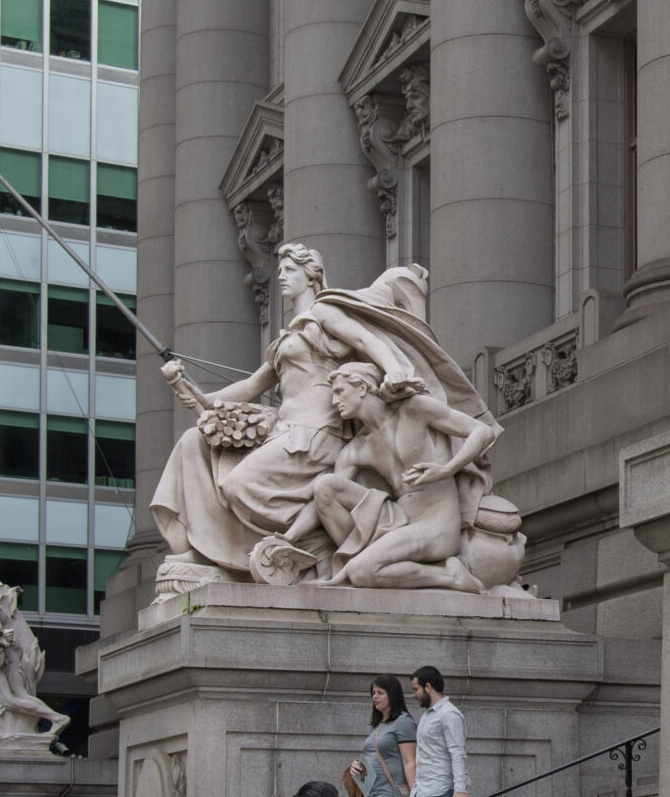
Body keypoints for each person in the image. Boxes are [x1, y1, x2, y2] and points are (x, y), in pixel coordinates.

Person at [149, 247, 485, 595]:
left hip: (315, 436)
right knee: (194, 442)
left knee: (237, 485)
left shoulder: (323, 313)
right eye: (280, 270)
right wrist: (201, 397)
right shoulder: (288, 336)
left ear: (312, 275)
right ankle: (209, 549)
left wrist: (394, 370)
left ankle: (302, 548)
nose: (281, 276)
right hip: (281, 432)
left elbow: (366, 340)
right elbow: (251, 387)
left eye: (289, 269)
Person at [278, 364, 500, 591]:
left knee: (361, 572)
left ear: (362, 388)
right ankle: (364, 558)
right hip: (398, 521)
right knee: (325, 487)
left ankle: (450, 575)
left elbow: (482, 431)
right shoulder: (357, 449)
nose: (334, 401)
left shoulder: (414, 409)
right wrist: (288, 537)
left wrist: (447, 469)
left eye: (339, 392)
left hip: (436, 525)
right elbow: (320, 503)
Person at [347, 675, 417, 797]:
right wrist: (356, 765)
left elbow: (410, 761)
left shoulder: (403, 722)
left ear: (393, 695)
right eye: (373, 693)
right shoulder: (377, 725)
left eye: (380, 693)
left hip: (390, 792)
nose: (375, 696)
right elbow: (371, 755)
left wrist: (415, 794)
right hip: (371, 792)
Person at [409, 667, 468, 797]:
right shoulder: (427, 715)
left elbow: (457, 753)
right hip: (421, 791)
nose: (413, 695)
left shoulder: (450, 714)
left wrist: (460, 790)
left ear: (428, 687)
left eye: (416, 689)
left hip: (441, 791)